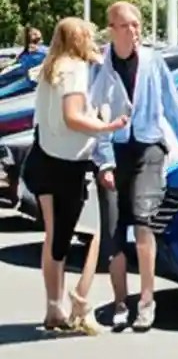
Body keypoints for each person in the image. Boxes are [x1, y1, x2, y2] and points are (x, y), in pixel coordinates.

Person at [91, 1, 178, 331]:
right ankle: (119, 303)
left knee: (143, 222)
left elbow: (171, 104)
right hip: (112, 151)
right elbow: (92, 114)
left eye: (137, 25)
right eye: (126, 26)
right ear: (111, 30)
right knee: (113, 232)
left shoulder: (153, 61)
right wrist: (104, 164)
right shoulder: (100, 65)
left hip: (148, 148)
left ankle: (146, 300)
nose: (134, 32)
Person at [22, 17, 128, 332]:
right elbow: (73, 118)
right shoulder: (74, 71)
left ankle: (54, 306)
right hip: (67, 163)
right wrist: (106, 124)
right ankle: (78, 300)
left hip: (43, 157)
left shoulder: (50, 68)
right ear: (79, 39)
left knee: (53, 237)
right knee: (89, 230)